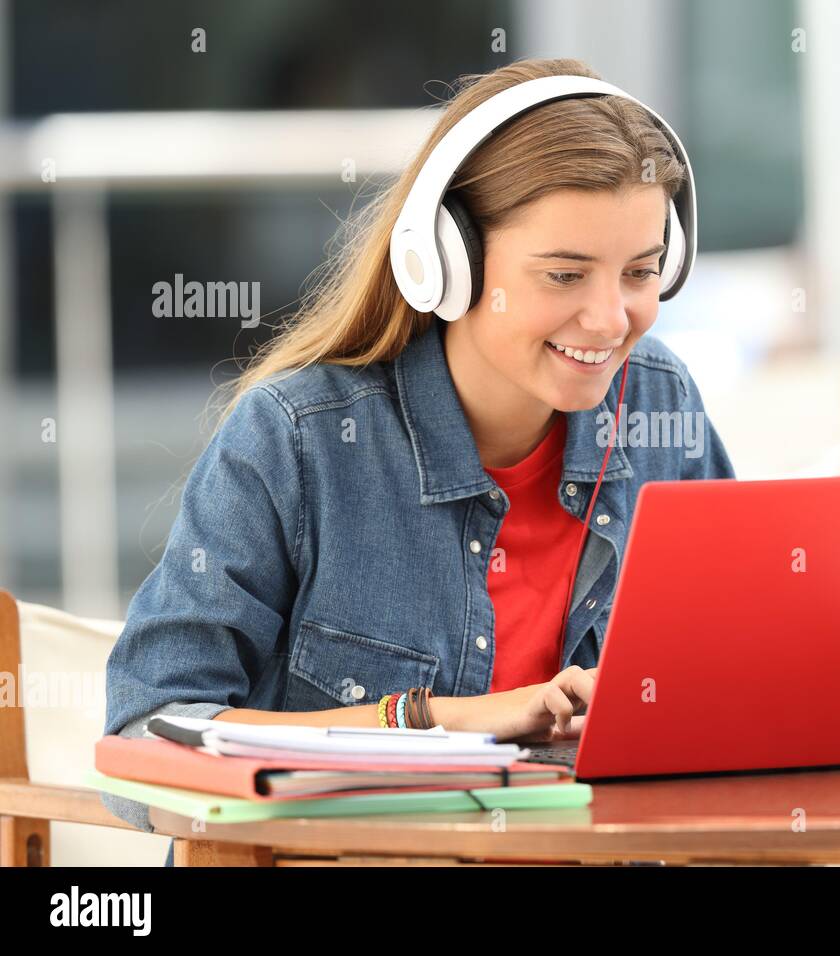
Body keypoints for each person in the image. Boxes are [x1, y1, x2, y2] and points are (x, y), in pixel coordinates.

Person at [100, 57, 735, 863]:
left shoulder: (658, 405)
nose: (612, 319)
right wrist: (435, 721)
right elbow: (142, 742)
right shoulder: (298, 440)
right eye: (564, 274)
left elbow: (731, 679)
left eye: (641, 272)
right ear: (446, 260)